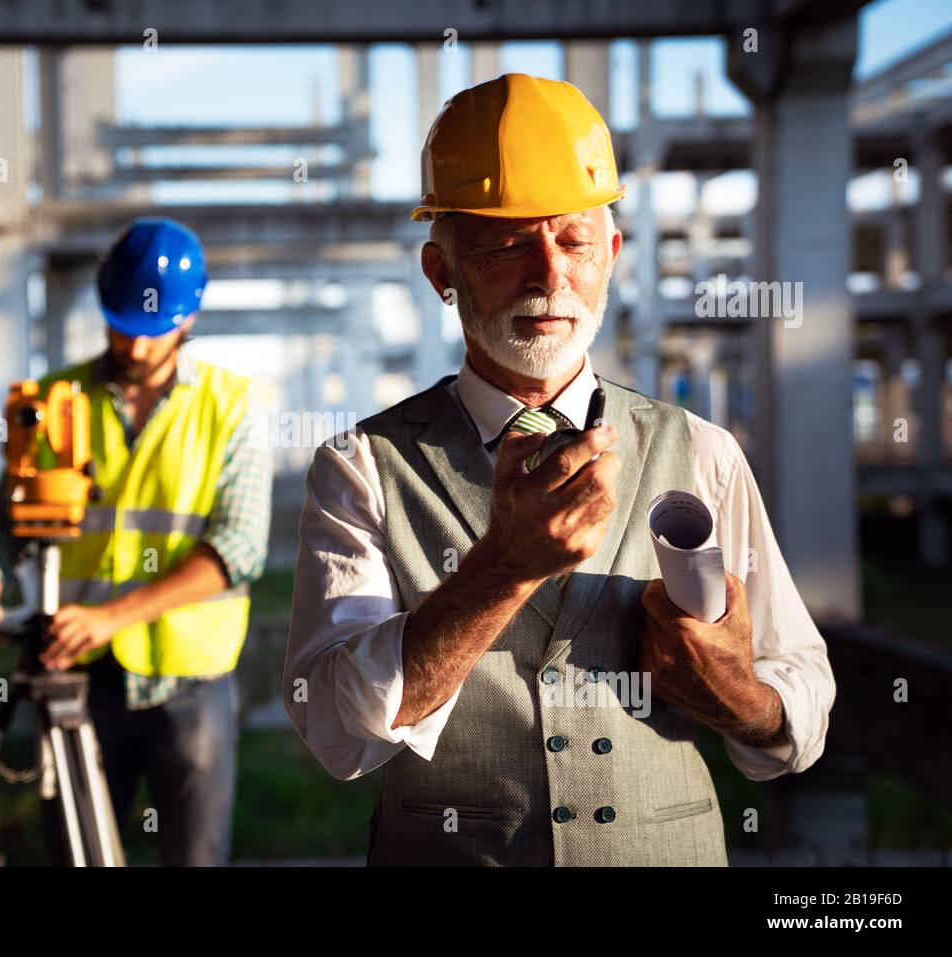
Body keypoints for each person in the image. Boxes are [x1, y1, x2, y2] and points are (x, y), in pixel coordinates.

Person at [282, 74, 835, 866]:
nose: (549, 273)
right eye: (506, 244)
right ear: (442, 271)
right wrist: (502, 567)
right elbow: (337, 726)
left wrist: (741, 699)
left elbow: (801, 697)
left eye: (573, 240)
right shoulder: (361, 468)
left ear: (609, 256)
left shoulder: (703, 450)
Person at [0, 217, 271, 866]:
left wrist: (110, 617)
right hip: (76, 677)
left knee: (192, 856)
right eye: (120, 324)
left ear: (186, 319)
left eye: (149, 329)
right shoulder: (54, 399)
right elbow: (5, 518)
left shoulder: (230, 405)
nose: (132, 345)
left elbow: (238, 549)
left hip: (188, 680)